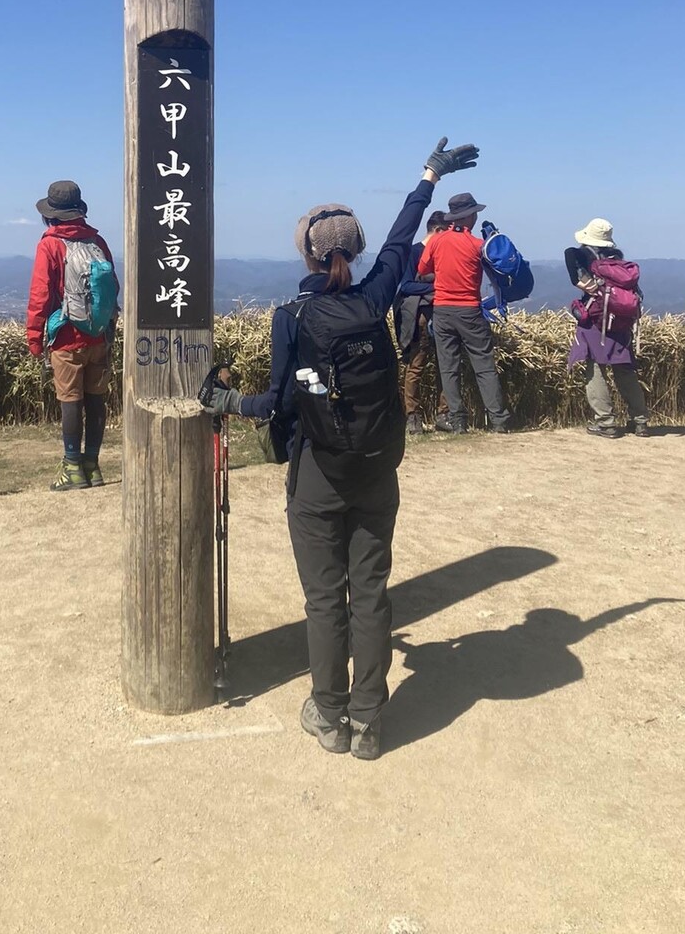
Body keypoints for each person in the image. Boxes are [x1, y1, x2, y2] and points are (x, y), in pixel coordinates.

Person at [200, 137, 479, 760]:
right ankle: (369, 724)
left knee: (325, 599)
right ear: (354, 249)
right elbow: (403, 239)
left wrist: (223, 402)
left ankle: (328, 716)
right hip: (377, 472)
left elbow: (274, 405)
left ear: (307, 250)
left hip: (316, 477)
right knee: (371, 594)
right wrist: (428, 176)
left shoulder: (290, 317)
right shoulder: (375, 298)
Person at [26, 180, 118, 491]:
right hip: (99, 336)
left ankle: (72, 469)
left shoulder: (50, 245)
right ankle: (93, 466)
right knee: (95, 401)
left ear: (51, 214)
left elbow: (41, 294)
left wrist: (35, 338)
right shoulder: (98, 241)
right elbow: (111, 288)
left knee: (70, 402)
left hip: (66, 337)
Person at [417, 192, 511, 433]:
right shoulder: (478, 246)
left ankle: (458, 422)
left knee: (448, 368)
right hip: (469, 310)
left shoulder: (437, 241)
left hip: (442, 310)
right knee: (484, 366)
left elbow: (422, 268)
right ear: (469, 217)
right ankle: (499, 420)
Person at [565, 218, 648, 438]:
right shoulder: (618, 259)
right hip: (620, 321)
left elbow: (571, 262)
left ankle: (605, 422)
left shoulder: (581, 255)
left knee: (595, 368)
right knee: (625, 370)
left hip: (595, 319)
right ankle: (640, 421)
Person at [393, 210, 450, 434]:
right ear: (436, 231)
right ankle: (412, 416)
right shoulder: (414, 252)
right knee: (416, 365)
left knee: (446, 366)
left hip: (442, 314)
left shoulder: (441, 252)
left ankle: (444, 413)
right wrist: (436, 287)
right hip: (421, 317)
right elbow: (405, 285)